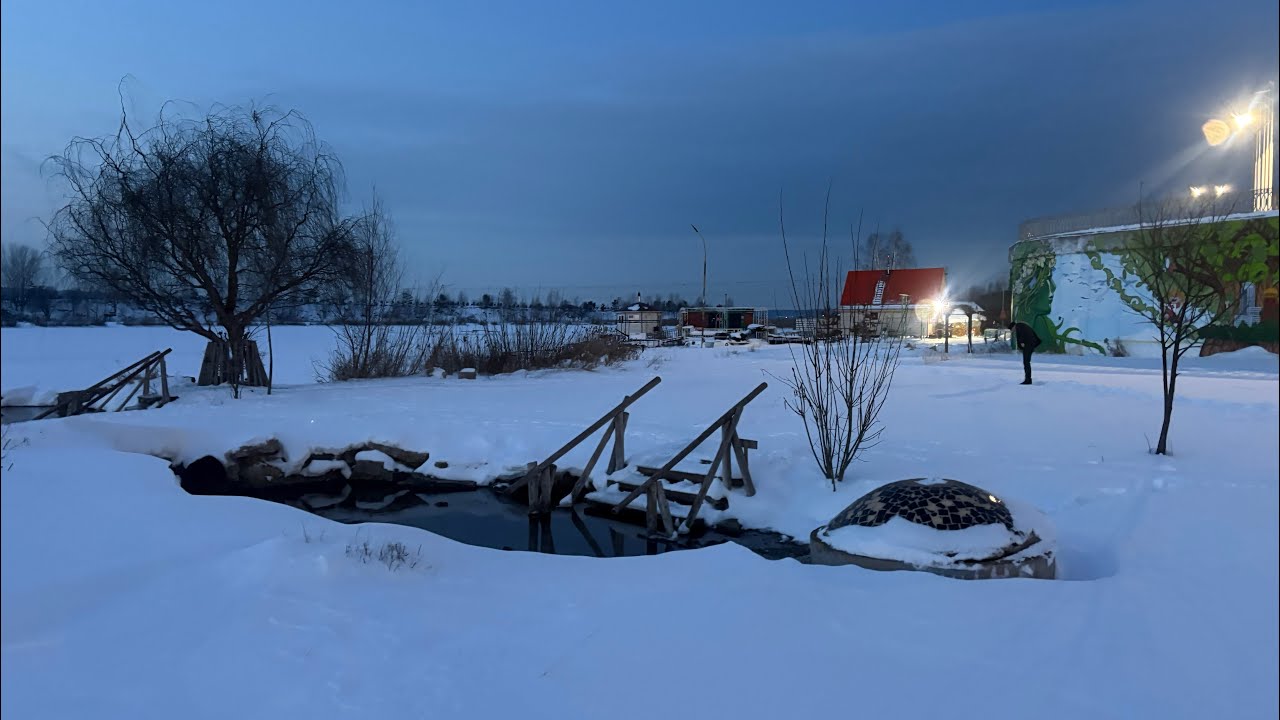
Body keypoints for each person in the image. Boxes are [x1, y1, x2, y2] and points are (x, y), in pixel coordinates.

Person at [1008, 320, 1042, 385]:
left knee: (1026, 362)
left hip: (1028, 344)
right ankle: (1028, 379)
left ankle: (1028, 380)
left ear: (1013, 326)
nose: (1012, 331)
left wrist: (1022, 342)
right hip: (1030, 344)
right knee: (1026, 362)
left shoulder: (1019, 326)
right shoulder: (1021, 325)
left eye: (1011, 329)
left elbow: (1022, 334)